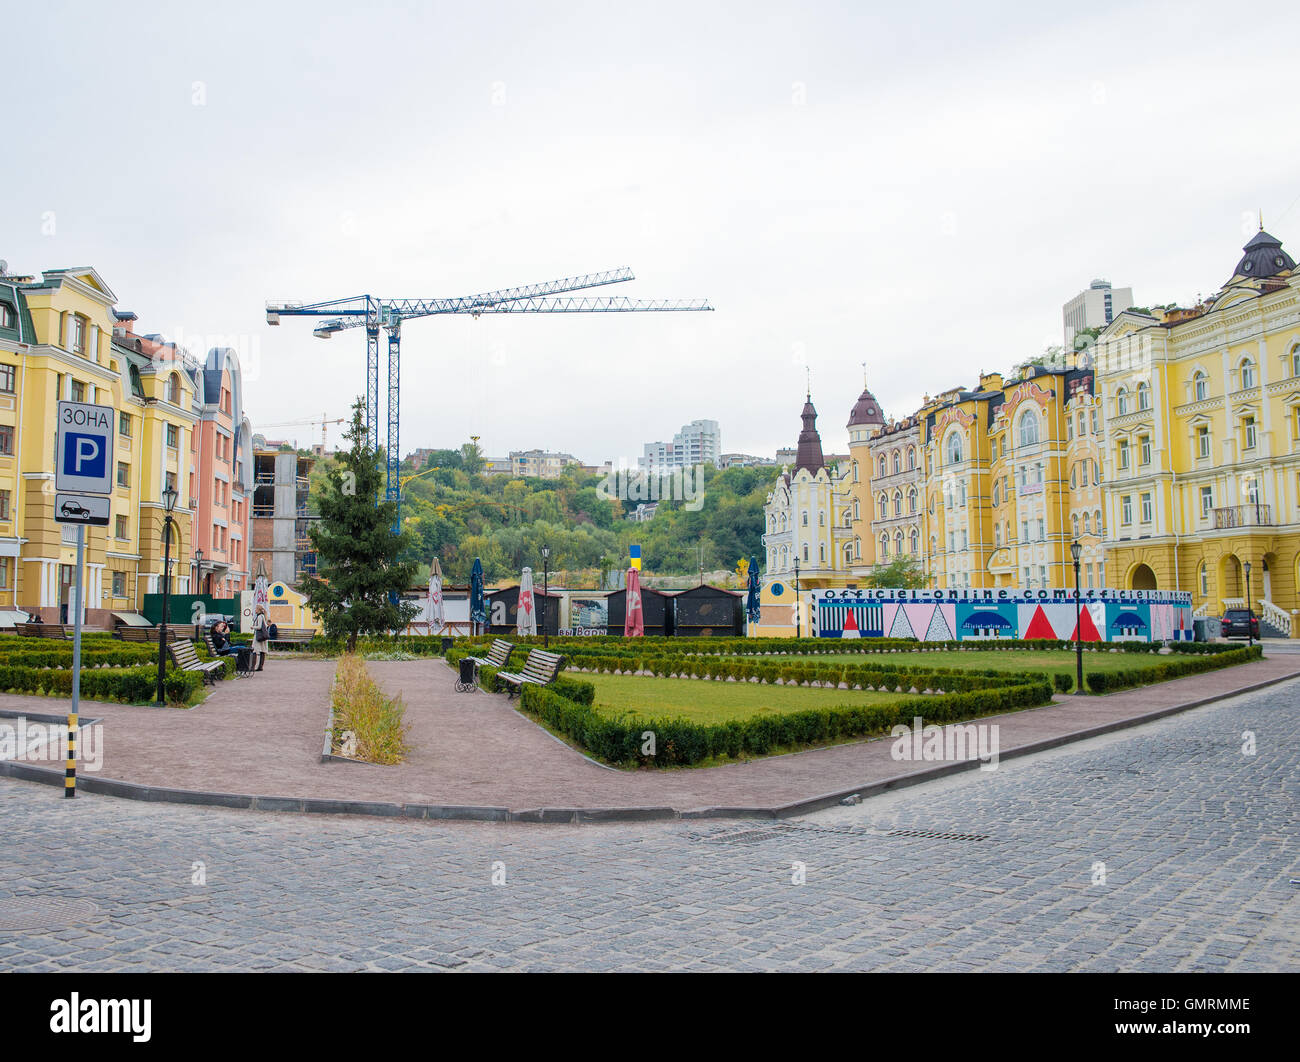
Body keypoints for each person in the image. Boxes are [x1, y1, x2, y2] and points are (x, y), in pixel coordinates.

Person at [250, 607, 269, 672]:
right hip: (263, 636)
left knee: (254, 650)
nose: (255, 610)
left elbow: (259, 627)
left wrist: (253, 627)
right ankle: (260, 666)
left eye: (256, 609)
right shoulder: (263, 616)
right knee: (262, 651)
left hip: (259, 636)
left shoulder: (259, 617)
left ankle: (252, 667)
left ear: (258, 610)